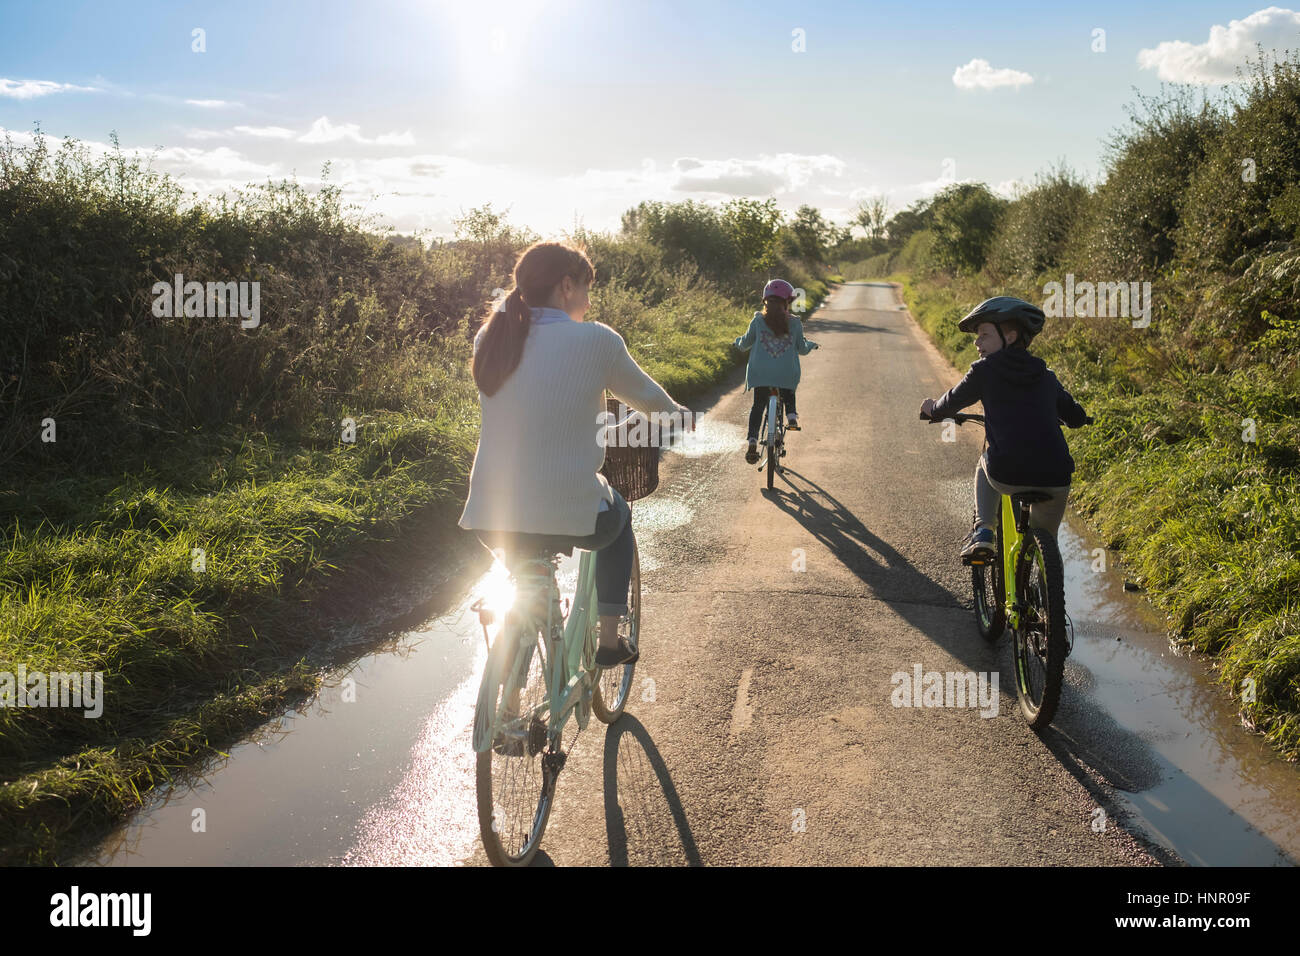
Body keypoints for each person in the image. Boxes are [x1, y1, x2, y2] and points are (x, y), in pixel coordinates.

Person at [458, 241, 693, 666]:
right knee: (619, 521)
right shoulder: (597, 341)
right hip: (571, 511)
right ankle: (607, 642)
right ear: (566, 286)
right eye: (586, 289)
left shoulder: (490, 337)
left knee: (527, 592)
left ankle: (507, 709)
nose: (588, 302)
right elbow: (652, 403)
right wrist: (678, 417)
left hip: (491, 514)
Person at [918, 296, 1092, 562]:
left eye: (984, 334)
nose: (977, 342)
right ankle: (1045, 588)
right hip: (1057, 477)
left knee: (984, 462)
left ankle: (984, 532)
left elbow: (952, 401)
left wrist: (933, 408)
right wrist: (1080, 419)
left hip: (1006, 474)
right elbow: (1075, 416)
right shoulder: (1046, 375)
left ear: (1010, 337)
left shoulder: (984, 371)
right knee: (1046, 547)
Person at [734, 278, 819, 464]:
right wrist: (811, 345)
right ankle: (791, 415)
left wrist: (737, 342)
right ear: (787, 302)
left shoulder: (757, 321)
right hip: (785, 374)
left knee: (758, 406)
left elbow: (744, 344)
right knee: (787, 386)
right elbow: (802, 349)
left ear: (765, 300)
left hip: (760, 374)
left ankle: (753, 440)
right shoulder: (795, 323)